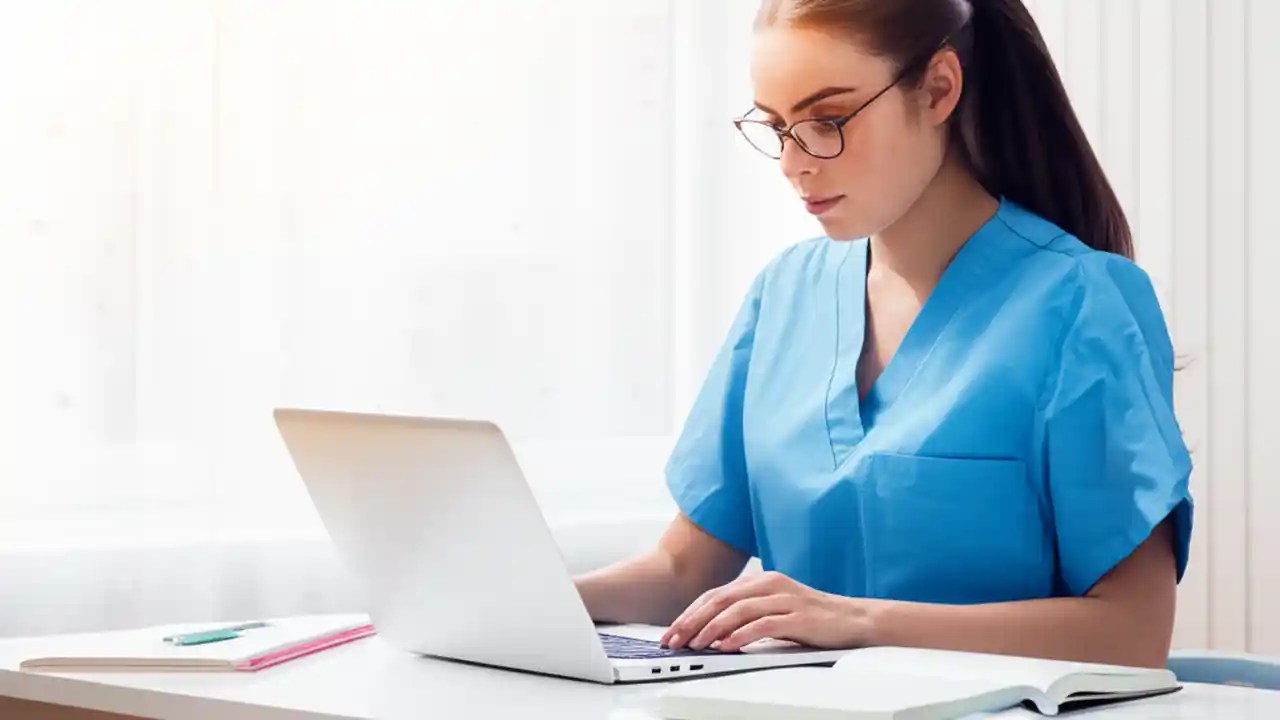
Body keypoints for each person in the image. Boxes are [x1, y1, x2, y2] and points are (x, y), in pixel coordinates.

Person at [573, 0, 1192, 669]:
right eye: (778, 128)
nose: (794, 162)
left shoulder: (1081, 306)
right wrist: (532, 602)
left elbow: (1132, 633)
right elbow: (684, 570)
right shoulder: (784, 296)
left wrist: (859, 621)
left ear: (938, 90)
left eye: (828, 121)